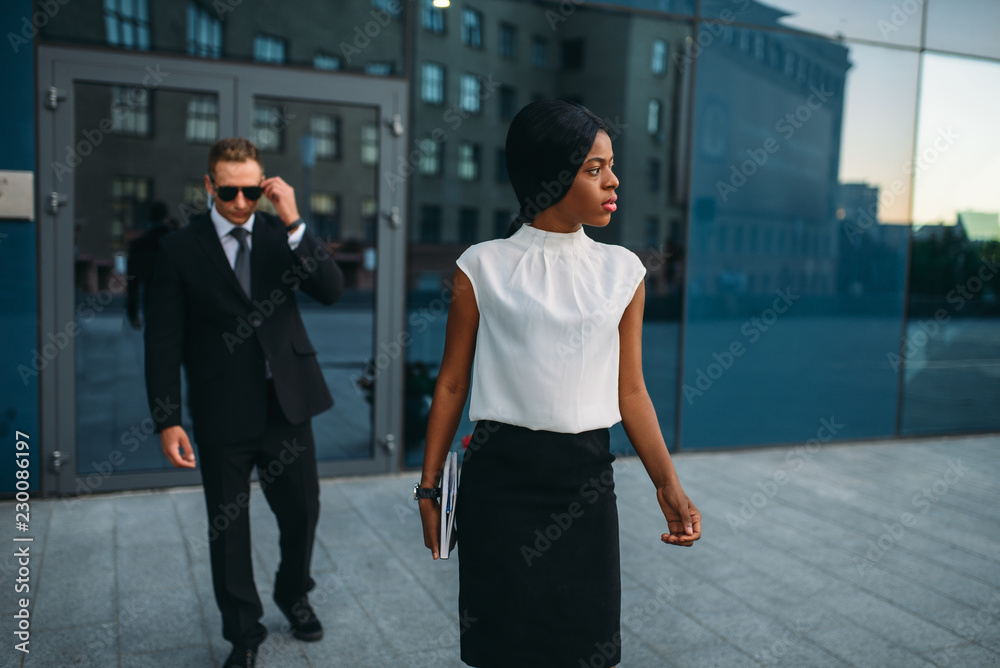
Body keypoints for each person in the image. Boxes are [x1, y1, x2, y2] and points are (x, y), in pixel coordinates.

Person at [417, 100, 702, 667]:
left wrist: (667, 485)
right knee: (503, 650)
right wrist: (429, 489)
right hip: (499, 486)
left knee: (585, 650)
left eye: (611, 165)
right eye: (594, 169)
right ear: (550, 175)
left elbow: (632, 392)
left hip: (585, 486)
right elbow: (451, 385)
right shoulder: (482, 266)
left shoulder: (624, 271)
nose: (613, 180)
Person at [143, 137, 344, 668]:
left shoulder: (283, 234)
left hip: (288, 405)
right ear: (209, 186)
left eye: (250, 190)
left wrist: (296, 219)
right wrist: (167, 420)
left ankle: (293, 594)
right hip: (221, 412)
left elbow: (330, 290)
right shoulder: (180, 249)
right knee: (229, 530)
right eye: (228, 190)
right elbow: (162, 341)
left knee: (302, 512)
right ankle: (243, 634)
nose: (239, 201)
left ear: (264, 185)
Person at [126, 201, 177, 329]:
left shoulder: (139, 244)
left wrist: (132, 313)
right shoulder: (177, 240)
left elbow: (132, 280)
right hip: (176, 300)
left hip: (152, 300)